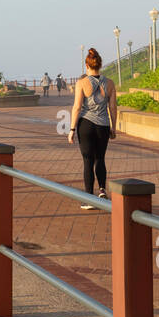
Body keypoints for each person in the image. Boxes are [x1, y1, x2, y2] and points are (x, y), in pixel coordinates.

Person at [66, 49, 116, 209]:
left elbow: (77, 107)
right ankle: (102, 190)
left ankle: (88, 198)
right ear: (100, 65)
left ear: (87, 65)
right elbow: (113, 107)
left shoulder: (82, 83)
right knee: (100, 158)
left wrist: (72, 129)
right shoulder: (109, 83)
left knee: (88, 161)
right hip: (103, 126)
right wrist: (113, 127)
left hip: (86, 125)